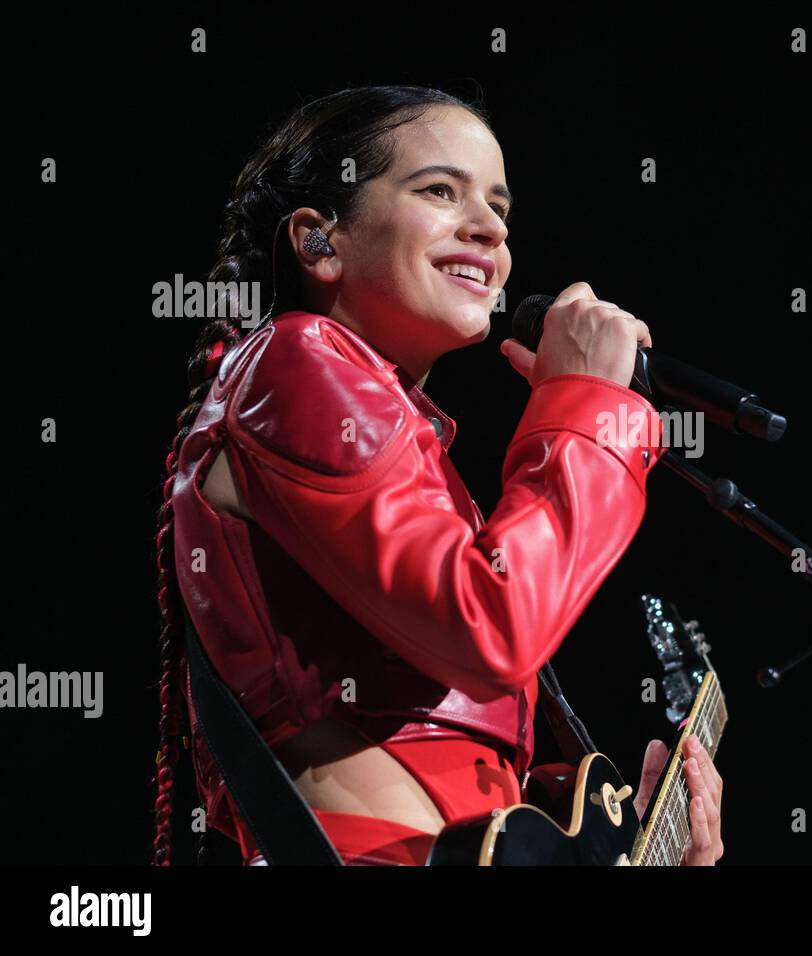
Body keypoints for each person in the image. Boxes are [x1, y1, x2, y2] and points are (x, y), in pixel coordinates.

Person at [151, 86, 723, 866]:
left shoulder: (402, 438)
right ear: (320, 243)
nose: (489, 227)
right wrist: (587, 408)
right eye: (440, 191)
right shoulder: (295, 358)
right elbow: (492, 622)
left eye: (499, 207)